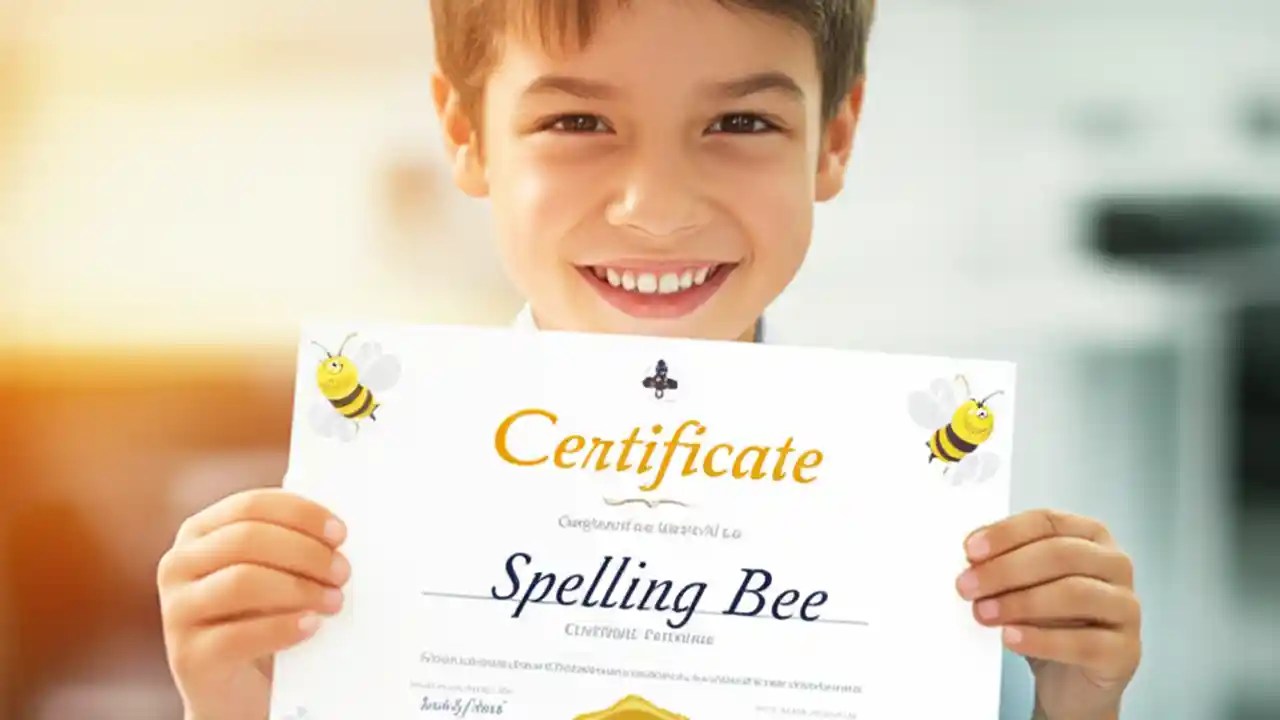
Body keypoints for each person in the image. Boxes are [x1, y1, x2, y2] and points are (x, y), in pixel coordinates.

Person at [156, 1, 1143, 718]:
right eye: (576, 122)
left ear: (832, 139)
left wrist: (1074, 706)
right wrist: (238, 708)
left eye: (740, 122)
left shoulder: (930, 548)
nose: (656, 208)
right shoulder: (349, 546)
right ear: (466, 134)